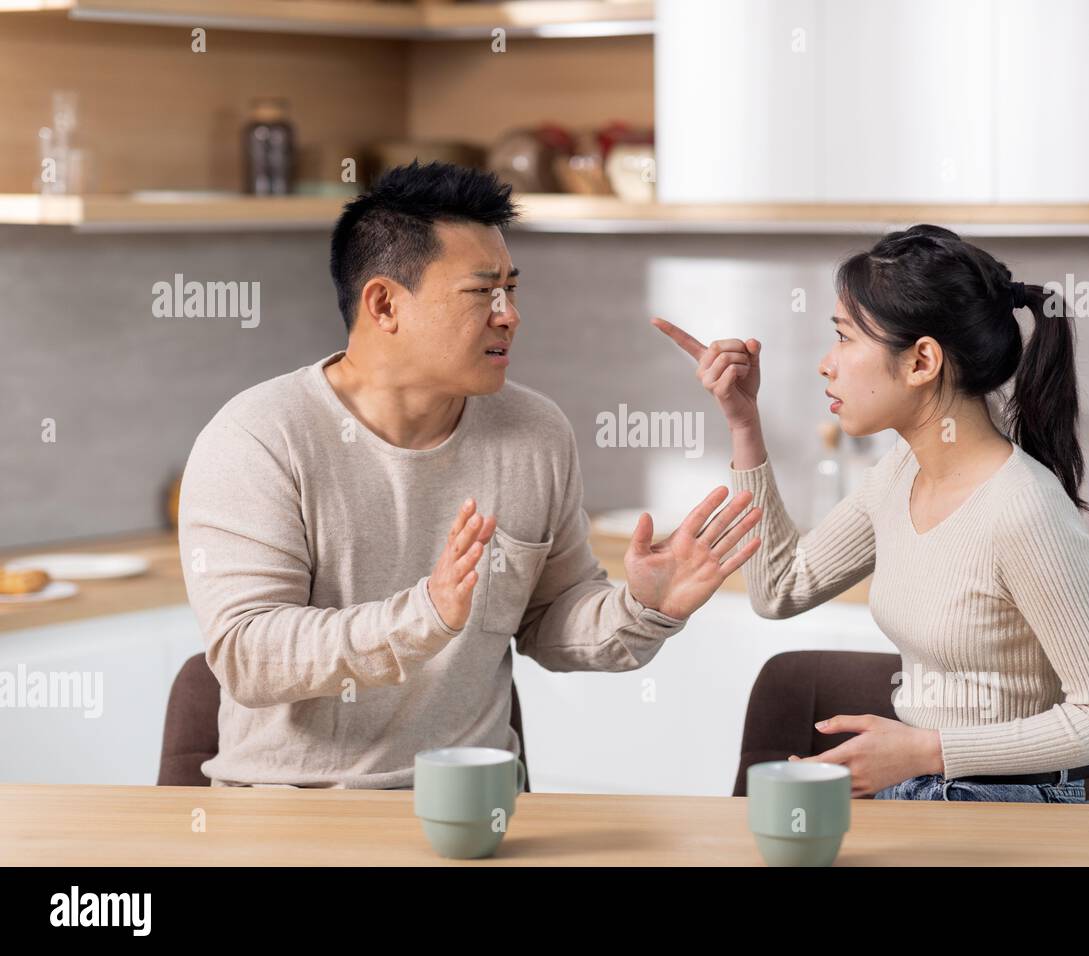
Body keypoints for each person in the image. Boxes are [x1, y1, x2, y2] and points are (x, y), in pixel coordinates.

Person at [178, 161, 762, 788]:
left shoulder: (534, 431)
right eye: (482, 292)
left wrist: (642, 607)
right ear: (384, 304)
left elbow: (550, 622)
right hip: (293, 817)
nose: (509, 315)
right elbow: (249, 655)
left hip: (476, 813)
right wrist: (423, 616)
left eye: (512, 289)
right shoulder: (259, 438)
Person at [654, 224, 1089, 803]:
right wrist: (744, 421)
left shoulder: (1023, 510)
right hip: (919, 787)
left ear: (921, 361)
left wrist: (926, 750)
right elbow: (780, 589)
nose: (826, 363)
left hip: (1009, 808)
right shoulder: (901, 473)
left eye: (844, 338)